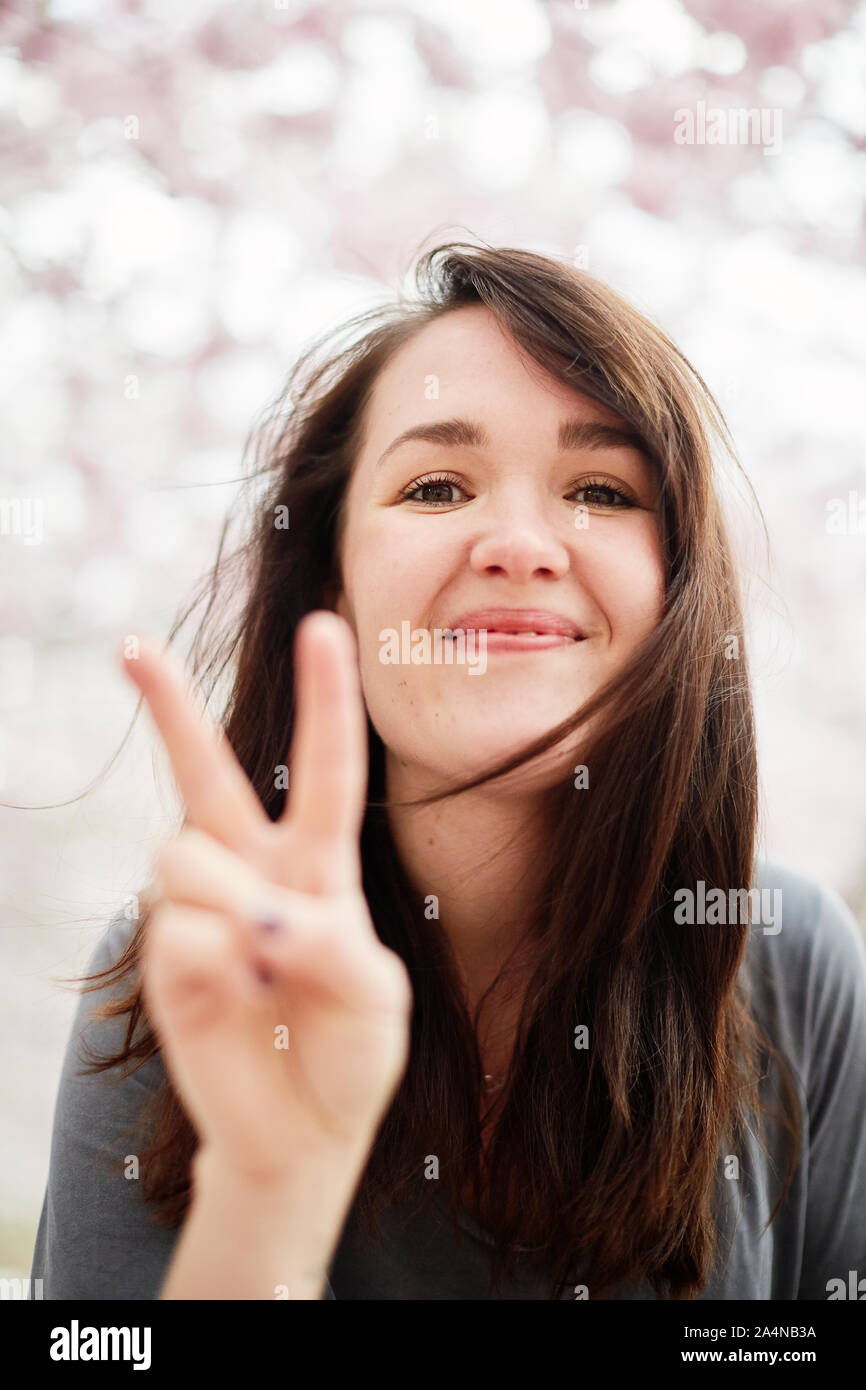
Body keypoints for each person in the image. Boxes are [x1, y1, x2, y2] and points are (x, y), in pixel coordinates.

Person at [30, 241, 866, 1300]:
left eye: (601, 490)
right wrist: (263, 1197)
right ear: (330, 585)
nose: (519, 543)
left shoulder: (788, 963)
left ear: (675, 597)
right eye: (434, 485)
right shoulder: (202, 969)